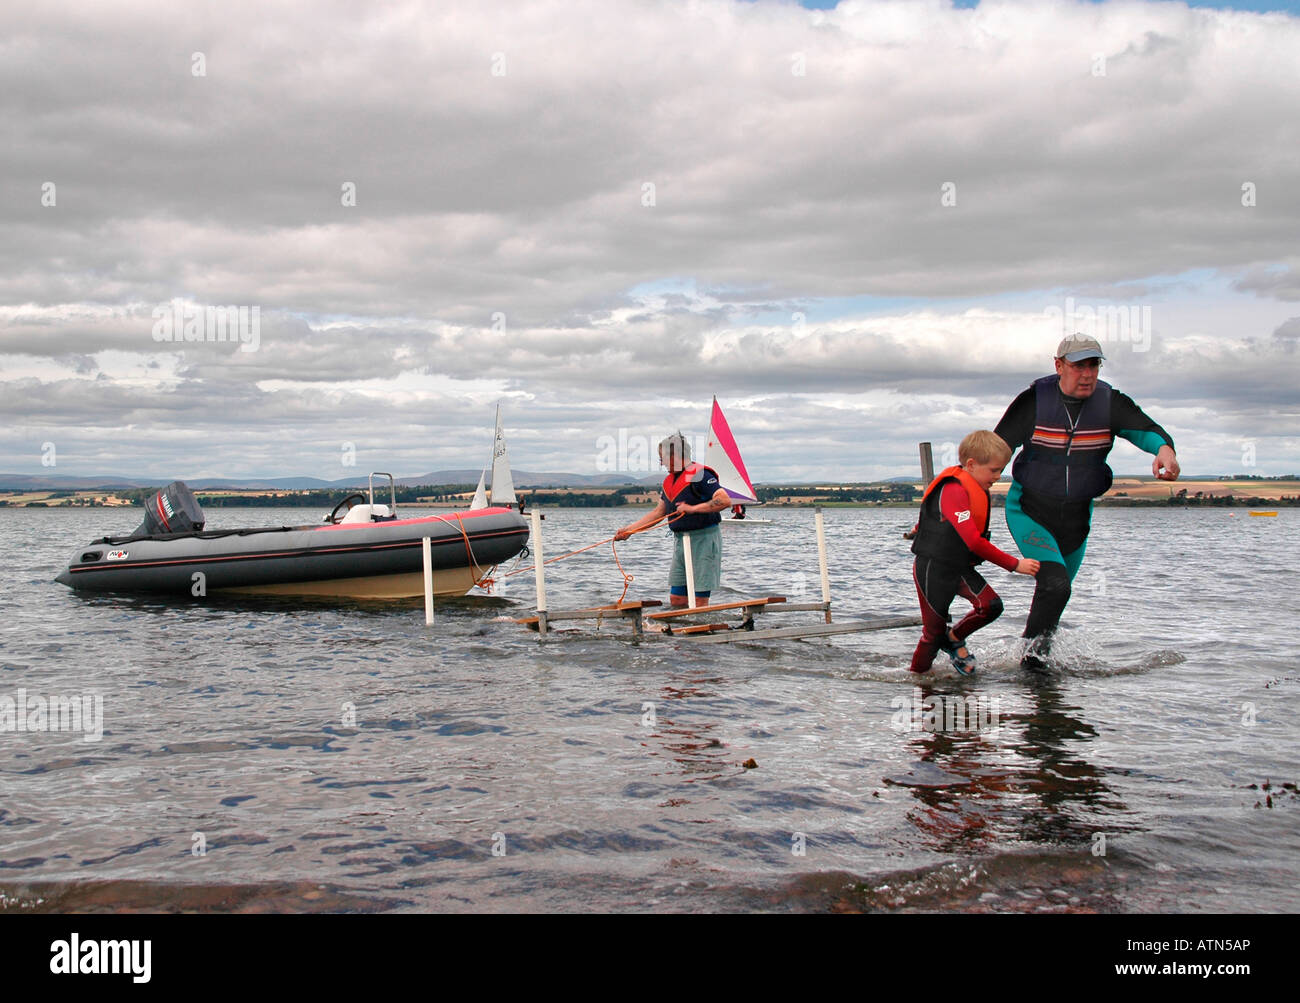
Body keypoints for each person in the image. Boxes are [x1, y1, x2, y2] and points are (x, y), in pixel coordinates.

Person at [995, 334, 1179, 670]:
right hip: (1029, 511)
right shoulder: (1034, 401)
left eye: (1093, 365)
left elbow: (1146, 429)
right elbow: (993, 452)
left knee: (1056, 594)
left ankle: (1033, 670)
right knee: (1055, 582)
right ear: (1059, 365)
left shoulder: (1110, 402)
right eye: (1078, 365)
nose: (1087, 374)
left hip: (1077, 519)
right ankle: (1032, 673)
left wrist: (1165, 451)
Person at [910, 430, 1040, 675]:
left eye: (1001, 470)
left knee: (991, 606)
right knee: (932, 634)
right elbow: (972, 540)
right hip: (933, 568)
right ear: (971, 465)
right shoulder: (953, 489)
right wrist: (1015, 565)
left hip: (958, 567)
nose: (998, 476)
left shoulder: (975, 487)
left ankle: (954, 639)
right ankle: (919, 680)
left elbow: (940, 520)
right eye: (993, 470)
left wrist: (916, 530)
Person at [614, 432, 732, 607]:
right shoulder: (669, 481)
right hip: (680, 542)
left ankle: (701, 630)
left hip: (704, 540)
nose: (661, 463)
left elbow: (724, 500)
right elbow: (659, 512)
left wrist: (692, 509)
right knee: (677, 599)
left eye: (662, 458)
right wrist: (630, 530)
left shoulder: (701, 475)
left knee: (698, 599)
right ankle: (678, 631)